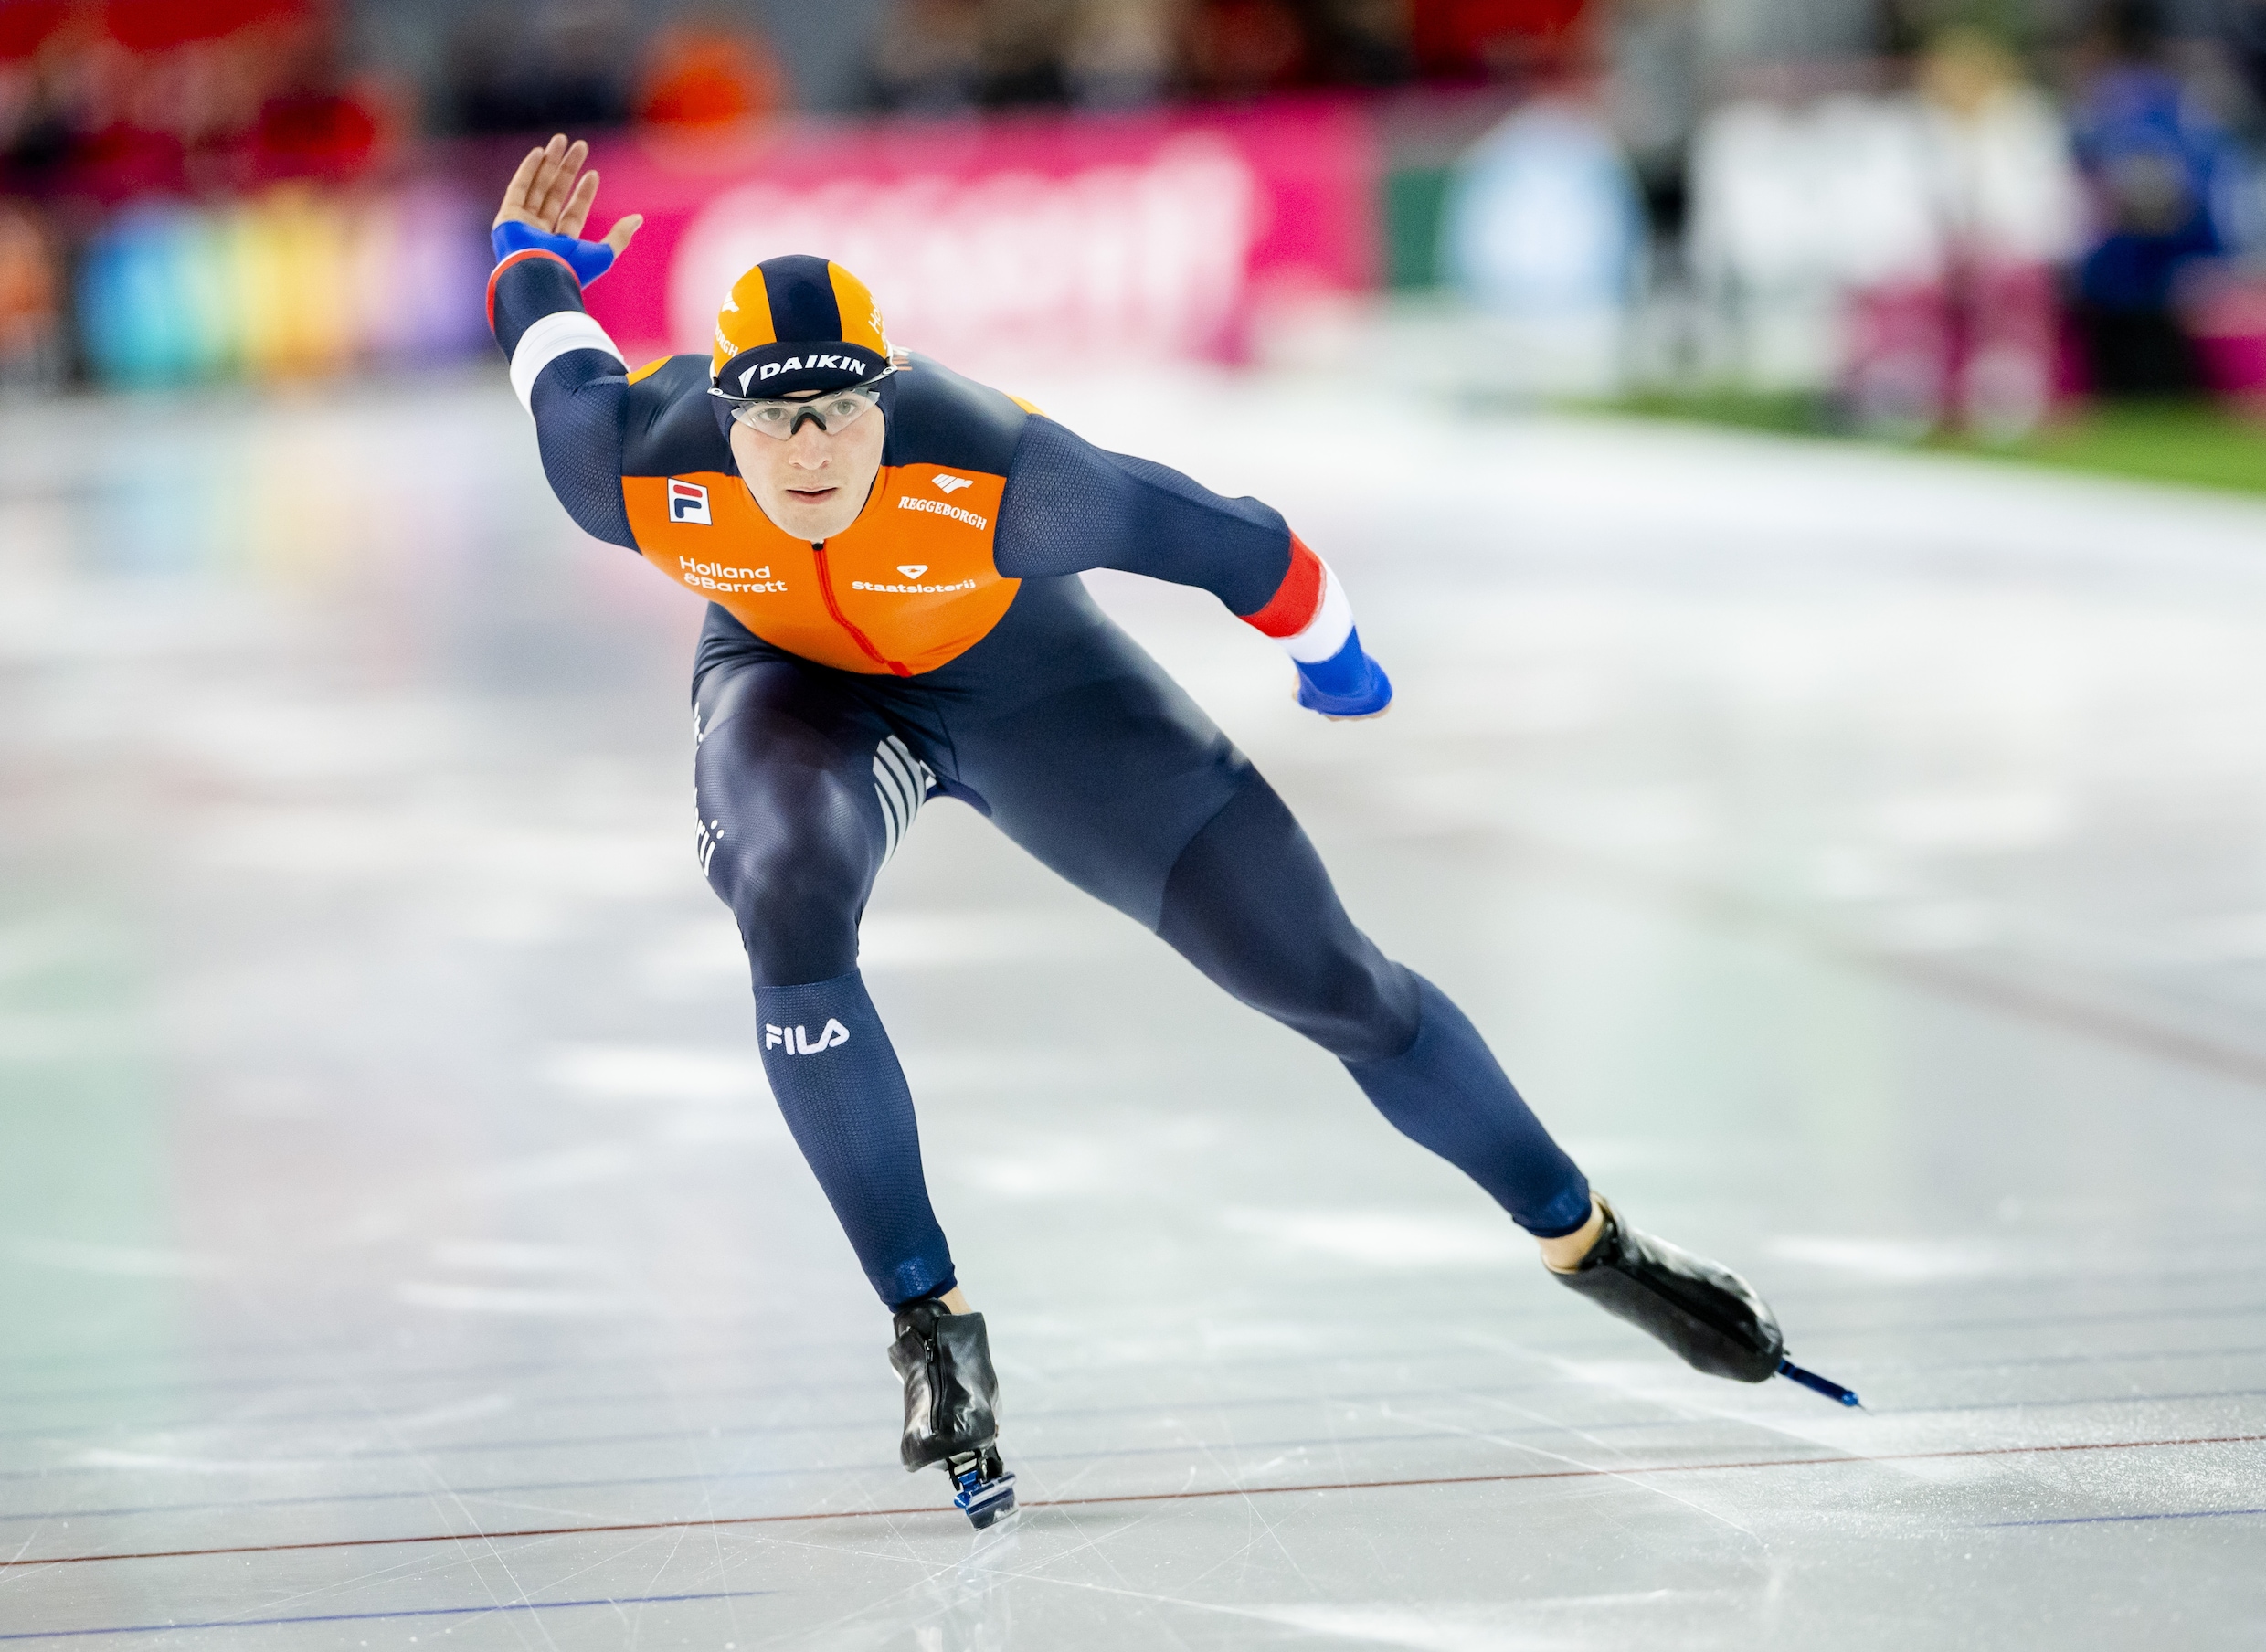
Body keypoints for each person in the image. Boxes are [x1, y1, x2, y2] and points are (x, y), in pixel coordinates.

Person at [487, 134, 1842, 1530]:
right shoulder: (627, 470)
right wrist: (533, 259)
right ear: (722, 418)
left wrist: (1331, 651)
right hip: (794, 692)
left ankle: (1590, 1242)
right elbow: (548, 340)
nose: (814, 447)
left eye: (842, 409)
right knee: (786, 889)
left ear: (891, 402)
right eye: (776, 420)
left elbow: (1241, 542)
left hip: (1029, 682)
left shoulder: (1006, 475)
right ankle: (930, 1331)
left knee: (1332, 983)